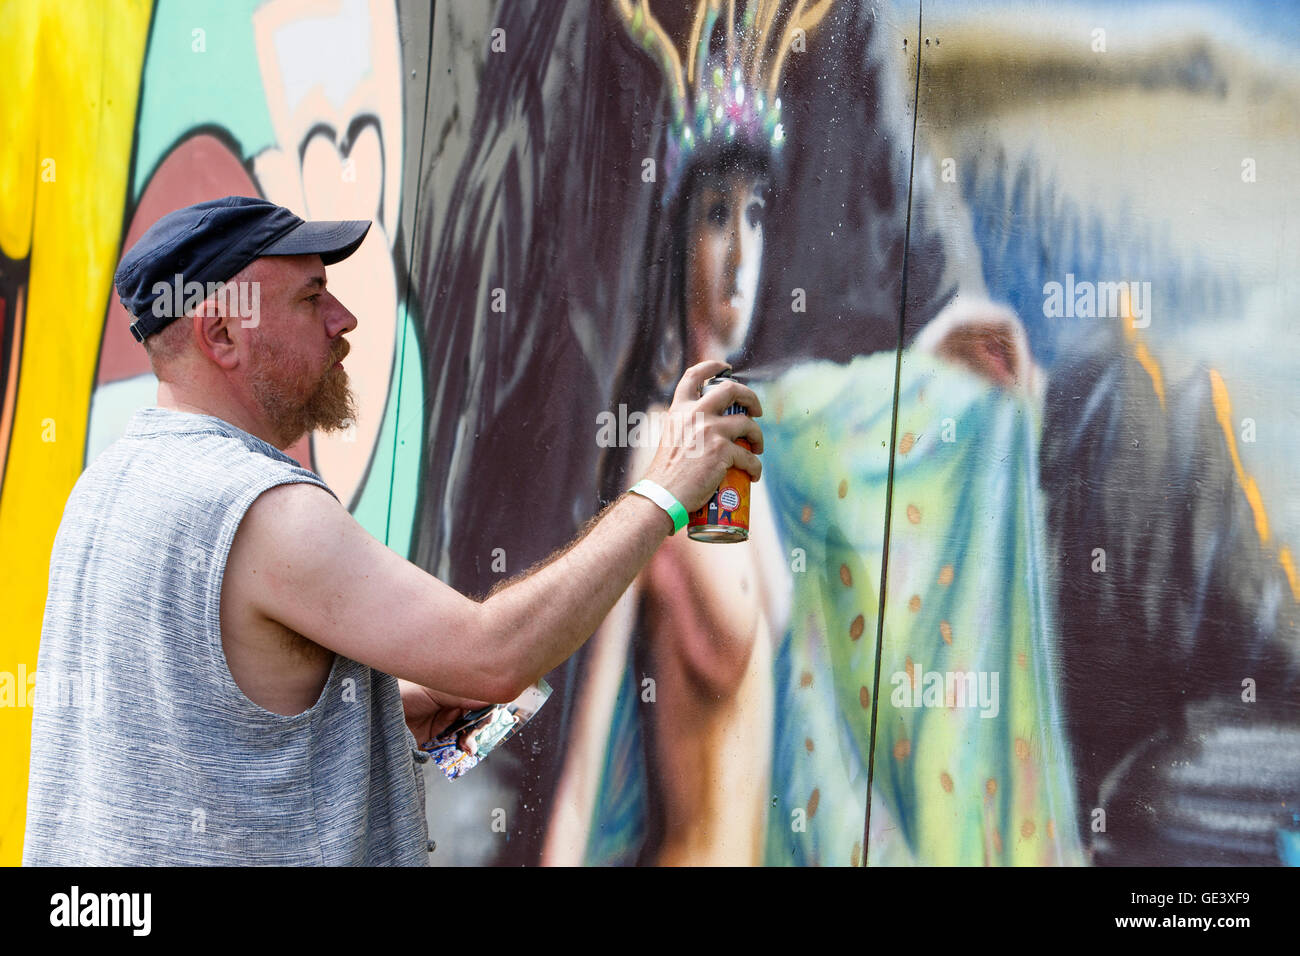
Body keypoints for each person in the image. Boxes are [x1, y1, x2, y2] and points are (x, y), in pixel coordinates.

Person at [22, 195, 763, 865]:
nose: (344, 319)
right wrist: (665, 489)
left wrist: (367, 718)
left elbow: (190, 733)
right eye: (312, 298)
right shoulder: (264, 509)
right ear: (222, 334)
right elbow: (493, 656)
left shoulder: (107, 487)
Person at [545, 1, 1082, 867]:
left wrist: (936, 347)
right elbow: (580, 780)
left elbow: (855, 417)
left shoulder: (761, 438)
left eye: (757, 216)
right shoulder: (656, 448)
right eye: (717, 214)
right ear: (678, 234)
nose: (741, 253)